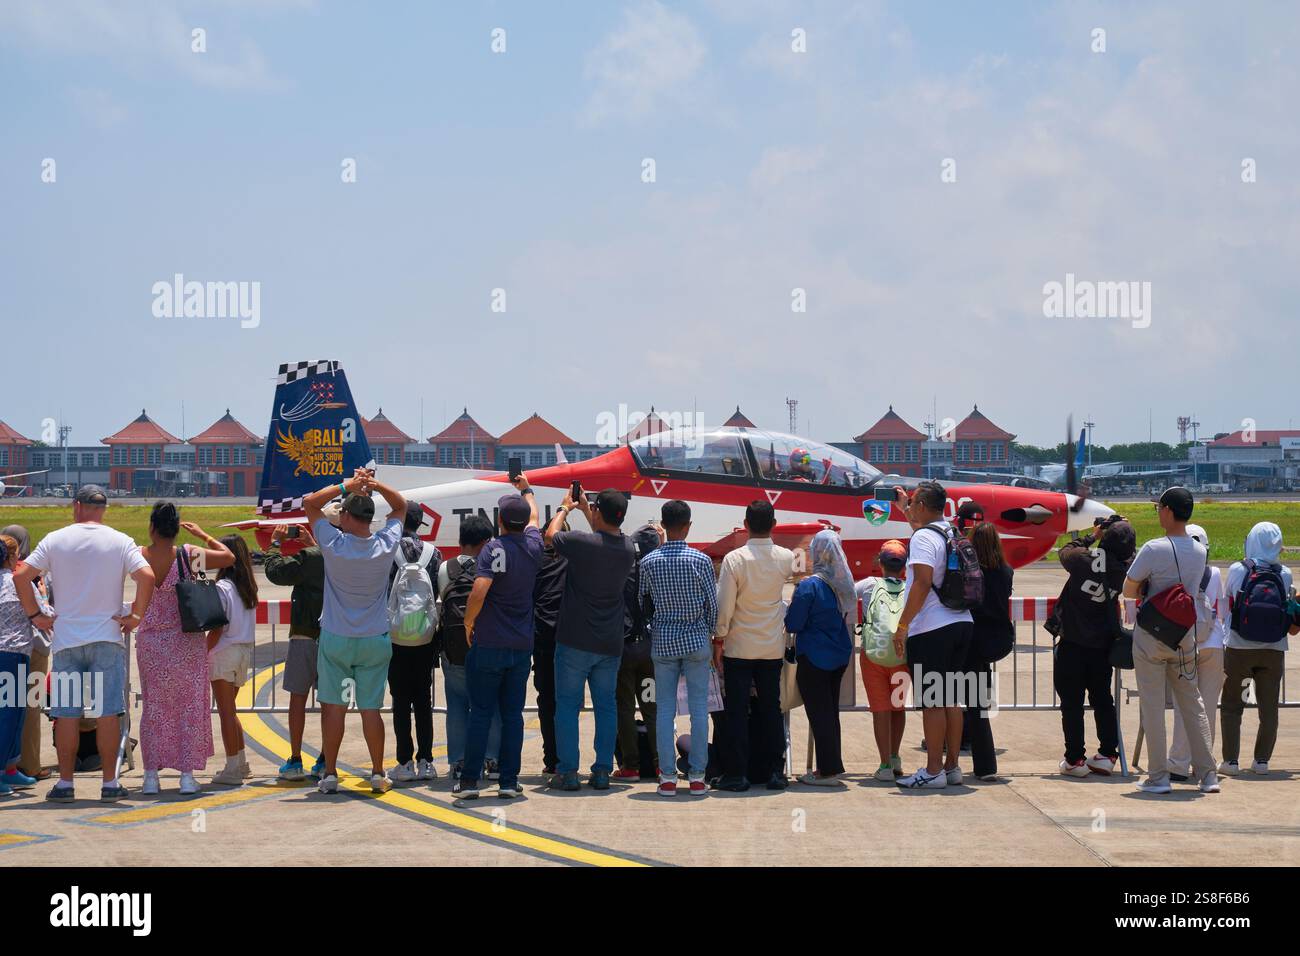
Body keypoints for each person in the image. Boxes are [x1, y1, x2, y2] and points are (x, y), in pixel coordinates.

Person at [15, 485, 155, 803]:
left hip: (66, 639)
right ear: (103, 508)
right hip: (106, 637)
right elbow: (146, 577)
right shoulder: (120, 541)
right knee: (108, 713)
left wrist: (36, 614)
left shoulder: (55, 539)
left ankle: (65, 783)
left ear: (76, 506)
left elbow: (20, 576)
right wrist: (135, 616)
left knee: (66, 714)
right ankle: (109, 782)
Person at [305, 468, 407, 795]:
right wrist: (374, 485)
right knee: (370, 709)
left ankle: (331, 773)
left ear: (347, 516)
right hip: (374, 637)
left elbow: (310, 503)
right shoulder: (385, 544)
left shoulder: (334, 543)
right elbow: (401, 506)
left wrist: (346, 484)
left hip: (336, 635)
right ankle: (378, 772)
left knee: (333, 707)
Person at [1122, 487, 1218, 794]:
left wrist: (1141, 597)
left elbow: (1129, 587)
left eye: (1158, 508)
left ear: (1168, 511)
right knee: (1193, 704)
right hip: (1185, 636)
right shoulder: (1199, 551)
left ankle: (1159, 777)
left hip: (1152, 635)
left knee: (1152, 705)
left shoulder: (1153, 548)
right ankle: (1207, 775)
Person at [136, 503, 233, 795]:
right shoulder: (188, 555)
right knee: (188, 707)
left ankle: (151, 775)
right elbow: (227, 557)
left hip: (152, 643)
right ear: (176, 528)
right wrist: (204, 536)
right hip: (185, 642)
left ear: (152, 528)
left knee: (154, 708)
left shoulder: (140, 555)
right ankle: (187, 776)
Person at [457, 476, 543, 799]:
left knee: (480, 712)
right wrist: (527, 490)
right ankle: (508, 781)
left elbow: (480, 590)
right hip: (521, 646)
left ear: (500, 521)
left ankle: (469, 782)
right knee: (512, 715)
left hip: (489, 642)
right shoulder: (534, 545)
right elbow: (534, 516)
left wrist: (468, 620)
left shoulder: (493, 548)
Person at [545, 487, 636, 792]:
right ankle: (601, 771)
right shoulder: (627, 547)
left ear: (599, 512)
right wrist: (589, 510)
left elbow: (550, 536)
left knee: (568, 707)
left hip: (574, 640)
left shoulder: (581, 542)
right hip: (609, 643)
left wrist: (565, 508)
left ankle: (568, 772)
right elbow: (604, 534)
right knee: (606, 707)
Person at [892, 480, 973, 790]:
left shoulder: (924, 537)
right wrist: (904, 509)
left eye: (913, 503)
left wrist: (902, 626)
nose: (910, 507)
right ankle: (952, 767)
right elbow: (920, 525)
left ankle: (932, 770)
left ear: (923, 507)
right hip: (961, 621)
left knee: (932, 702)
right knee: (951, 699)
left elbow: (922, 583)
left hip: (932, 628)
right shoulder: (950, 530)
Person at [714, 499, 796, 792]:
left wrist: (719, 637)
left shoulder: (734, 560)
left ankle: (737, 773)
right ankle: (775, 770)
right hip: (771, 647)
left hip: (738, 646)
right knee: (771, 709)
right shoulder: (786, 557)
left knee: (736, 710)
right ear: (774, 525)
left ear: (745, 525)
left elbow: (725, 606)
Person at [638, 500, 717, 797]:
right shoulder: (701, 561)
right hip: (696, 640)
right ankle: (697, 777)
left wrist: (654, 629)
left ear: (663, 525)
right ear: (688, 526)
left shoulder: (649, 561)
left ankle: (668, 777)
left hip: (664, 641)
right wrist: (708, 632)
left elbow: (643, 603)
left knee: (664, 711)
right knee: (698, 710)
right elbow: (712, 603)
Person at [1054, 515, 1134, 777]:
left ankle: (1075, 758)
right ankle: (1108, 753)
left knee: (1072, 703)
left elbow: (1066, 551)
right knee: (1102, 699)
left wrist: (1093, 534)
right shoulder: (1127, 569)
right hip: (1102, 645)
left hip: (1073, 642)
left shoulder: (1085, 560)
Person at [1218, 521, 1292, 777]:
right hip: (1273, 649)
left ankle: (1231, 761)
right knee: (1268, 707)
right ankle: (1261, 761)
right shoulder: (1285, 573)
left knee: (1232, 705)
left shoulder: (1239, 569)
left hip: (1240, 647)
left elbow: (1228, 603)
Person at [786, 529, 855, 786]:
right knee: (830, 712)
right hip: (839, 655)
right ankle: (831, 765)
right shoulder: (844, 585)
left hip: (814, 656)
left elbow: (793, 623)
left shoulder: (809, 585)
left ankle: (827, 771)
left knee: (819, 714)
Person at [437, 515, 501, 783]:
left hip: (453, 651)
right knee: (491, 706)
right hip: (485, 646)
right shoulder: (491, 569)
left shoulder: (444, 568)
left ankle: (458, 762)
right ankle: (493, 759)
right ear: (485, 541)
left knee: (457, 706)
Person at [264, 522, 327, 781]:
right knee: (331, 703)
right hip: (334, 636)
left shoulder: (311, 558)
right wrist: (312, 544)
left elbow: (276, 572)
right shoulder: (343, 554)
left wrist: (275, 544)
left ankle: (296, 759)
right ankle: (326, 759)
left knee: (297, 698)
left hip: (305, 634)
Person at [386, 501, 442, 784]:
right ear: (420, 523)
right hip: (425, 637)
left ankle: (404, 762)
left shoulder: (387, 551)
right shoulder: (434, 553)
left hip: (395, 637)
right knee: (423, 700)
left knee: (399, 701)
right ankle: (427, 761)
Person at [1169, 523, 1226, 781]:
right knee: (1208, 707)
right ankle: (1204, 763)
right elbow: (1222, 611)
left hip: (1183, 645)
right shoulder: (1214, 573)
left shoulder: (1172, 571)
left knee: (1184, 706)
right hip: (1212, 644)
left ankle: (1178, 764)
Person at [855, 540, 910, 782]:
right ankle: (896, 756)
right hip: (902, 656)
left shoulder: (869, 585)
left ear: (880, 562)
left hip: (873, 655)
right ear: (904, 566)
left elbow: (845, 595)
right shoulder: (910, 588)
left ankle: (885, 764)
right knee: (898, 708)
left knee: (881, 711)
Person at [963, 521, 1013, 781]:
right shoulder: (1006, 571)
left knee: (964, 702)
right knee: (979, 703)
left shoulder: (972, 572)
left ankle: (982, 765)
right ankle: (985, 763)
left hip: (973, 640)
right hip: (998, 639)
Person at [207, 535, 258, 786]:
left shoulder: (223, 587)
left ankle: (231, 767)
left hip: (224, 652)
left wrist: (202, 651)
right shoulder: (247, 587)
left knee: (226, 713)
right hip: (243, 652)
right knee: (232, 711)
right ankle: (240, 762)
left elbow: (216, 629)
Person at [613, 522, 660, 782]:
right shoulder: (659, 570)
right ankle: (660, 763)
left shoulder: (621, 570)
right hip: (650, 651)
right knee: (651, 708)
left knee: (625, 708)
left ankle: (630, 766)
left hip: (624, 648)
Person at [3, 524, 49, 781]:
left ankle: (8, 763)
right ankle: (28, 764)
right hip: (31, 646)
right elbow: (44, 611)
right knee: (29, 706)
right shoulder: (30, 574)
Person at [531, 527, 567, 775]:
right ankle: (568, 760)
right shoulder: (573, 561)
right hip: (569, 639)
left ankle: (552, 759)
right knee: (568, 702)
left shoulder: (534, 561)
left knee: (546, 701)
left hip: (541, 639)